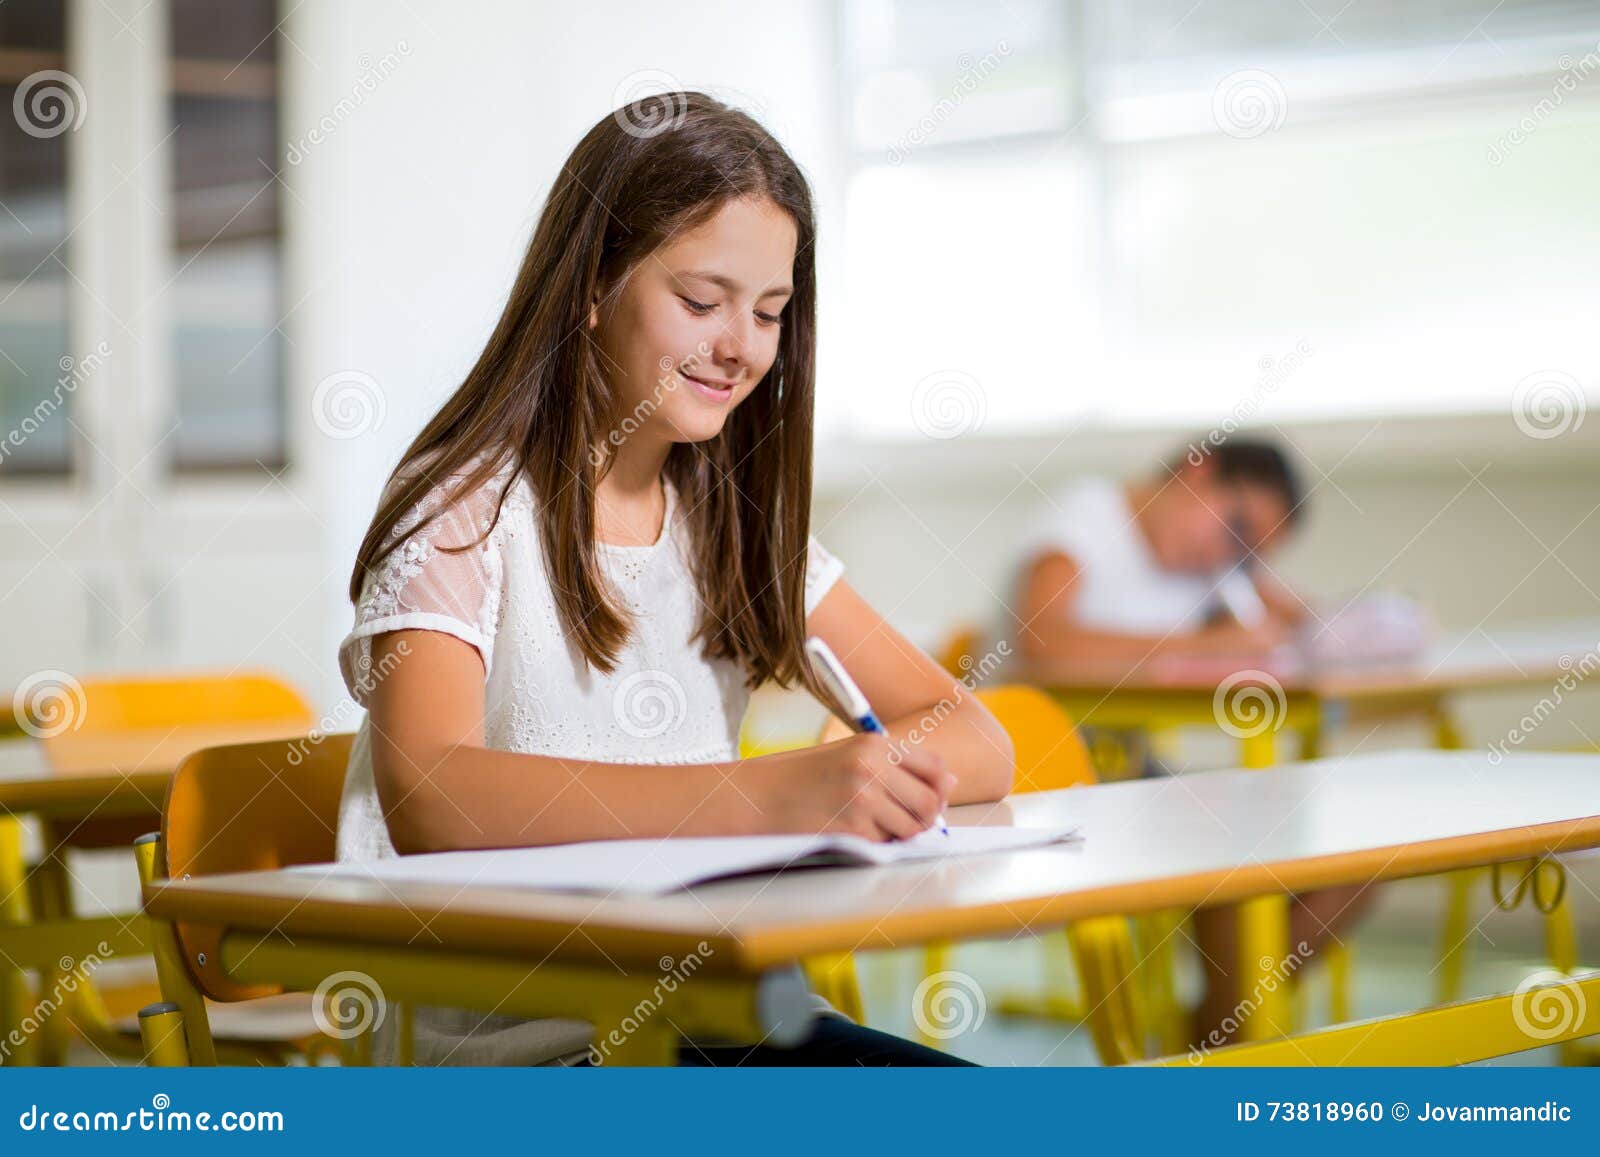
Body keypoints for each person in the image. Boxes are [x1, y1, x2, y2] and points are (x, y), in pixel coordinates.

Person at [336, 92, 1013, 1066]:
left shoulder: (727, 516)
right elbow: (432, 794)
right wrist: (777, 796)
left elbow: (974, 736)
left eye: (769, 312)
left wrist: (858, 767)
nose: (740, 345)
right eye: (701, 302)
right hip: (527, 1051)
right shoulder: (462, 506)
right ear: (592, 286)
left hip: (716, 1019)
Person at [1011, 439, 1371, 1048]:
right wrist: (1210, 645)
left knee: (1363, 859)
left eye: (1250, 553)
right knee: (1233, 847)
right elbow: (1040, 644)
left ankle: (1213, 1035)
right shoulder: (1088, 515)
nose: (1233, 556)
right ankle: (1221, 1046)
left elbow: (1302, 619)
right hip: (1043, 780)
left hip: (1132, 778)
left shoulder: (1211, 567)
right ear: (1196, 472)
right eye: (1237, 529)